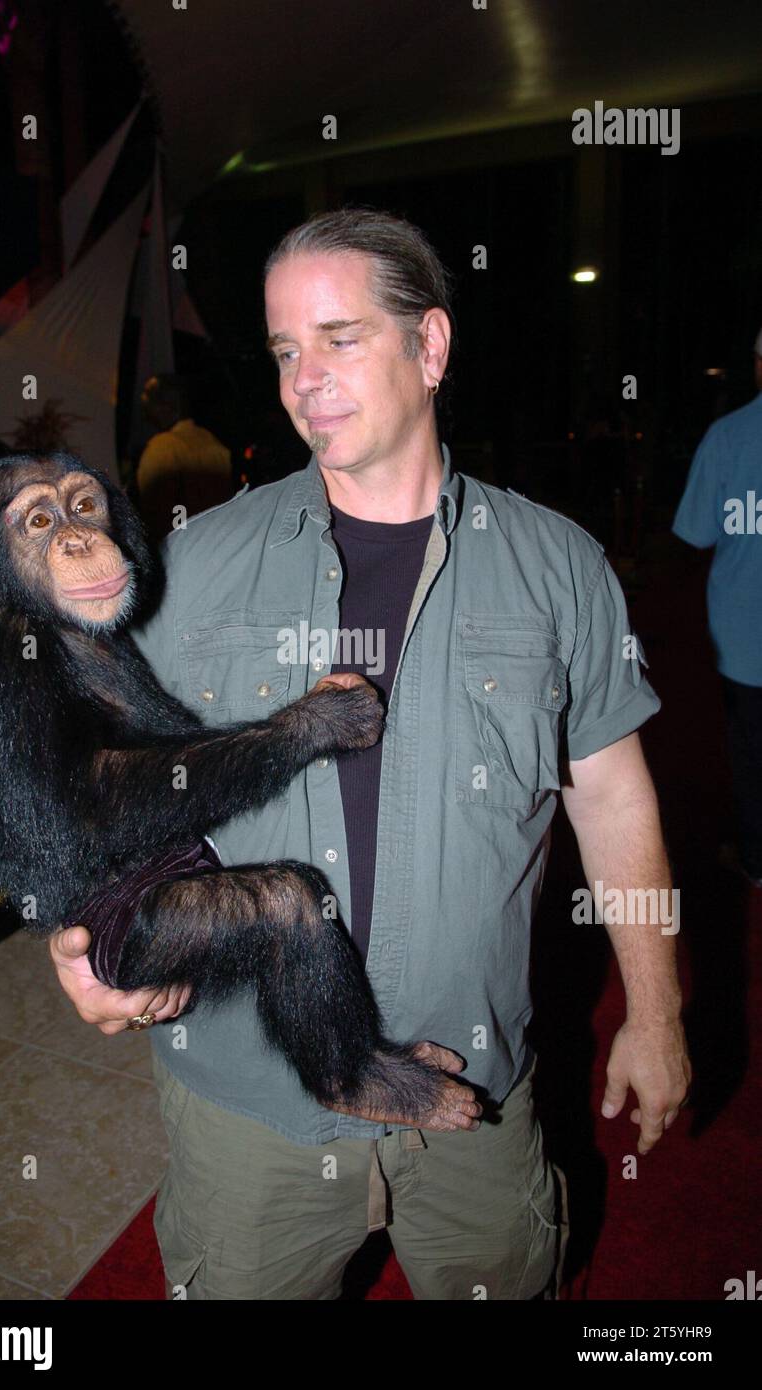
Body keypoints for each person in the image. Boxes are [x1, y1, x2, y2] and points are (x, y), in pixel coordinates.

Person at [49, 209, 690, 1300]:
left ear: (430, 347)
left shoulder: (559, 567)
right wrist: (78, 932)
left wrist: (657, 1008)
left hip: (471, 1084)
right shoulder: (196, 566)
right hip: (252, 1103)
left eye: (340, 338)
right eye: (288, 349)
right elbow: (95, 772)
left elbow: (613, 796)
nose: (306, 378)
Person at [672, 330, 762, 887]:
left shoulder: (729, 437)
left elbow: (696, 532)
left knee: (751, 750)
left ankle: (757, 860)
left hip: (745, 635)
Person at [136, 374, 232, 541]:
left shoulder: (162, 447)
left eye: (150, 406)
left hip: (180, 547)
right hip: (218, 540)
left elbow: (158, 514)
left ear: (167, 406)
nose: (146, 415)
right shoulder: (211, 441)